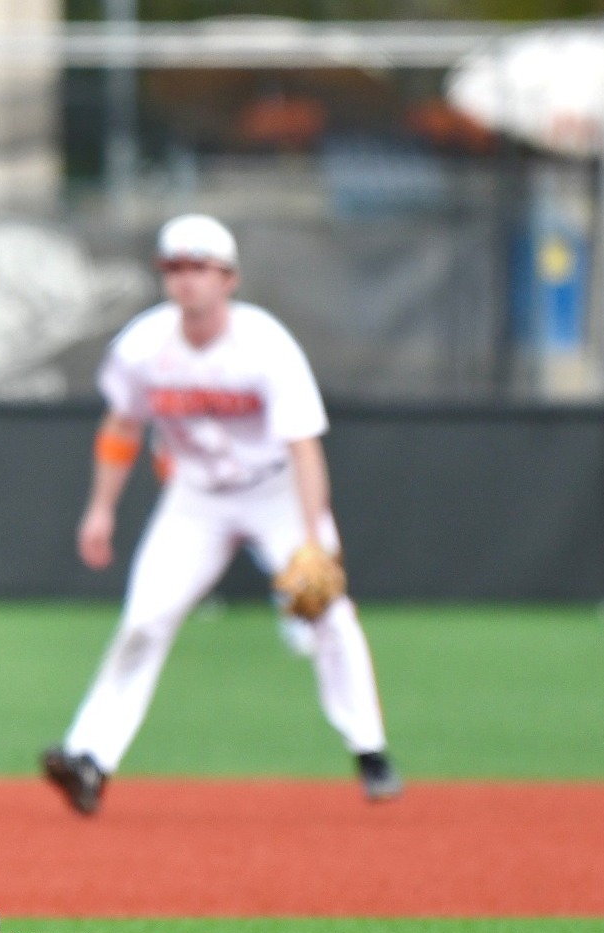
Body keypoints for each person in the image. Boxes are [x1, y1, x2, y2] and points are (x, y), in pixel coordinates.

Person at [40, 214, 401, 816]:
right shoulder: (142, 346)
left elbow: (303, 446)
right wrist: (99, 510)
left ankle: (371, 752)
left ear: (229, 278)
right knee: (144, 620)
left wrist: (315, 539)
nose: (186, 280)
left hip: (276, 491)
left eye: (199, 267)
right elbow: (123, 425)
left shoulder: (266, 345)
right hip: (196, 499)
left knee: (330, 614)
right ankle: (89, 760)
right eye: (174, 267)